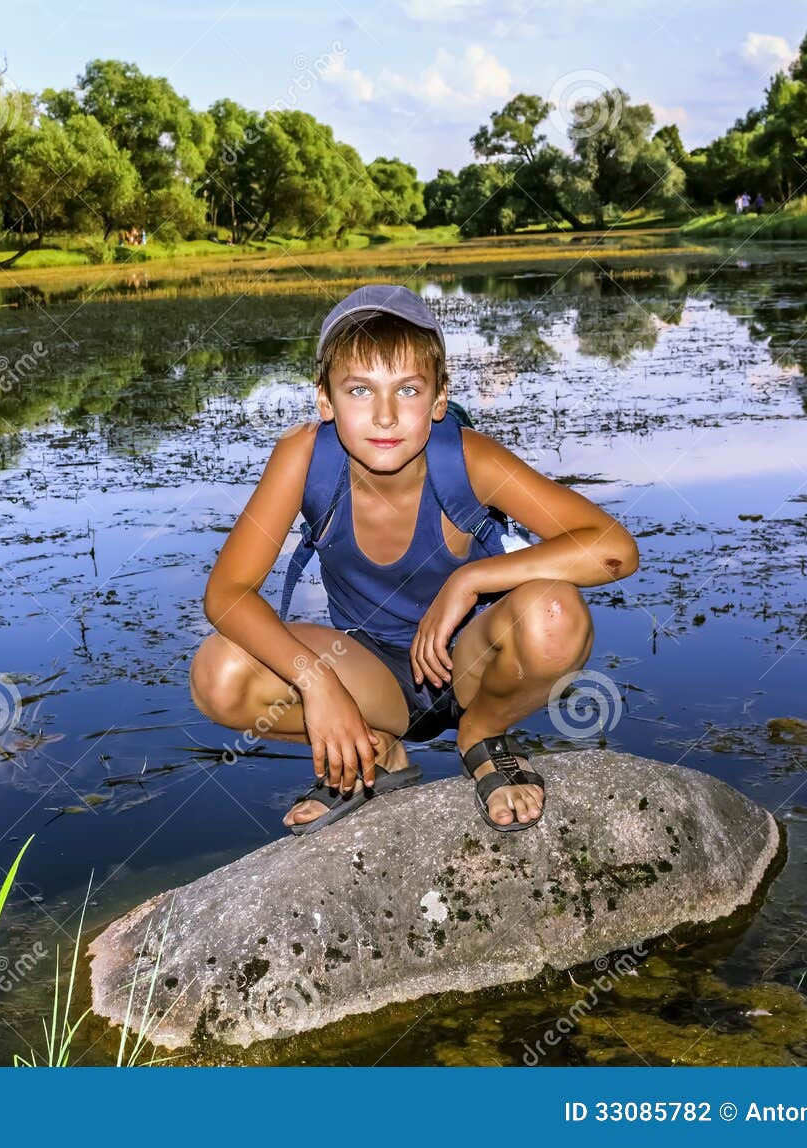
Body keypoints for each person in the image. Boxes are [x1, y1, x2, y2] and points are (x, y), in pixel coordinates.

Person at [188, 285, 639, 834]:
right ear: (325, 400)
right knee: (220, 673)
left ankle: (484, 733)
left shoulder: (470, 458)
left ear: (439, 398)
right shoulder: (301, 456)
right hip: (368, 674)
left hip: (475, 661)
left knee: (553, 612)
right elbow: (227, 592)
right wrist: (318, 683)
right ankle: (376, 748)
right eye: (359, 390)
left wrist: (471, 579)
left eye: (407, 390)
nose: (384, 416)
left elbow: (614, 549)